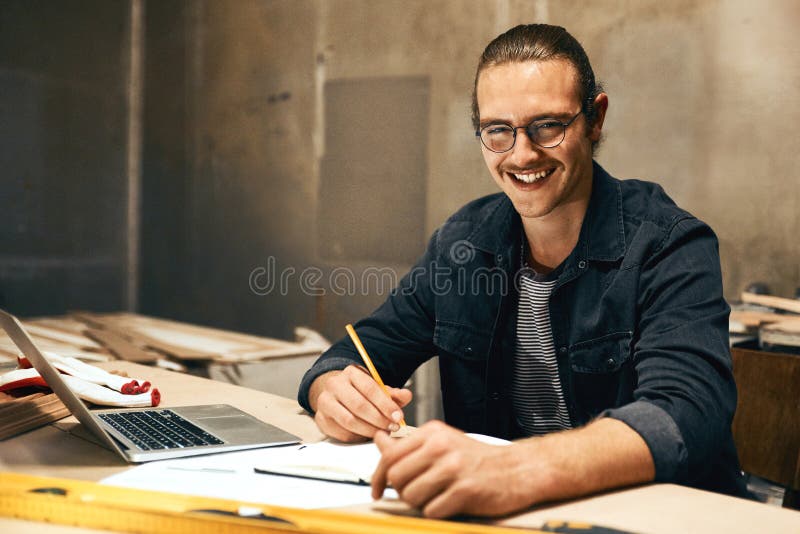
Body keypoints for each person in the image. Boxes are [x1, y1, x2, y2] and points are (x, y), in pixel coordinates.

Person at [298, 23, 747, 518]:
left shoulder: (669, 243)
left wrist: (514, 468)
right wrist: (332, 388)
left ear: (595, 118)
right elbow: (359, 350)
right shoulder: (462, 244)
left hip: (657, 518)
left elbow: (684, 414)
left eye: (547, 126)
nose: (522, 154)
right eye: (498, 131)